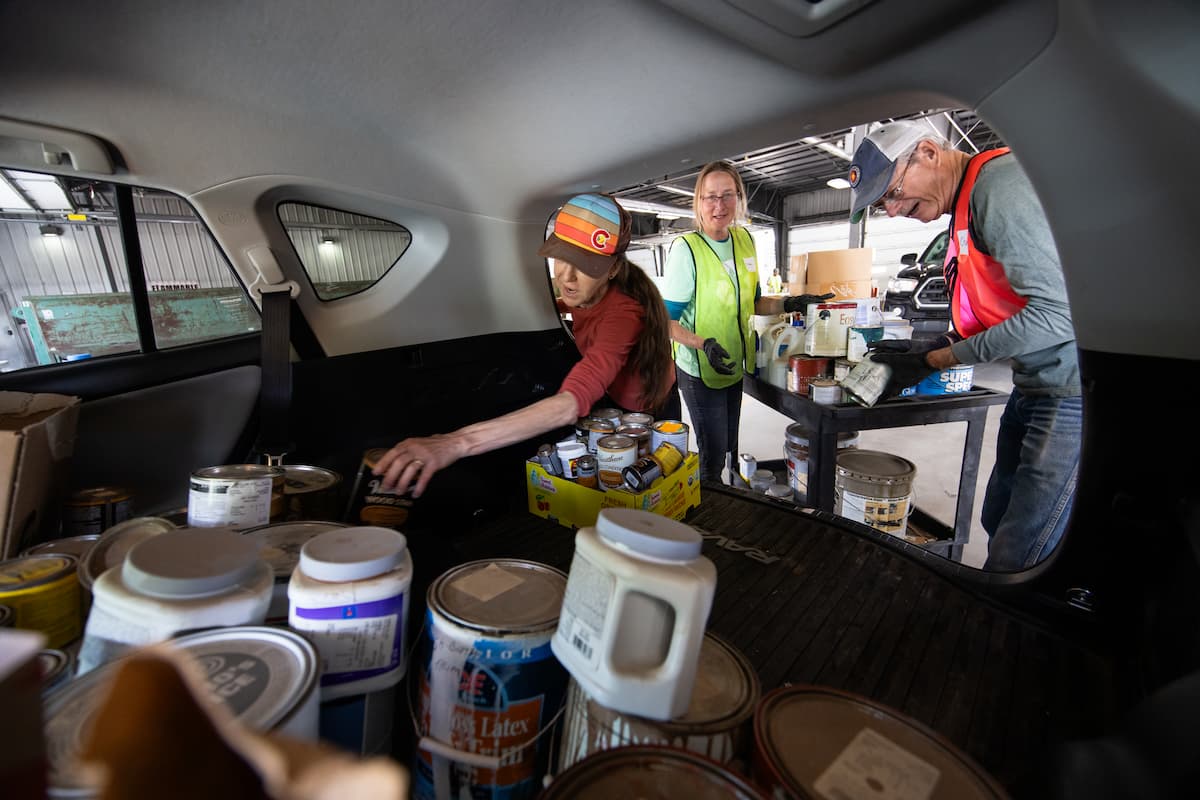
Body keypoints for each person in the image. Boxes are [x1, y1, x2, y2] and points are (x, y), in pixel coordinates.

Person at [847, 120, 1081, 571]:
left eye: (891, 193)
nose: (892, 212)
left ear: (930, 154)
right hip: (1034, 384)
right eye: (882, 206)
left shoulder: (999, 189)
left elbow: (1058, 314)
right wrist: (941, 342)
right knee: (998, 516)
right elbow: (996, 306)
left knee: (1022, 552)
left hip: (1068, 390)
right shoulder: (966, 206)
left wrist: (939, 358)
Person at [374, 193, 679, 498]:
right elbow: (568, 304)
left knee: (651, 486)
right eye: (562, 257)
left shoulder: (624, 314)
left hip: (648, 405)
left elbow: (573, 401)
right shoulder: (585, 296)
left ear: (612, 270)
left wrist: (456, 443)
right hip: (615, 396)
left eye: (586, 266)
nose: (567, 276)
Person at [661, 161, 832, 483]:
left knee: (730, 449)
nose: (719, 205)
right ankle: (708, 523)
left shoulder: (744, 241)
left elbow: (753, 302)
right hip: (700, 368)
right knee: (711, 457)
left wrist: (790, 302)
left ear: (739, 199)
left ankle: (731, 507)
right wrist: (704, 344)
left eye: (728, 195)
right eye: (710, 197)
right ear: (698, 202)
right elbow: (663, 322)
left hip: (733, 363)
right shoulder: (687, 250)